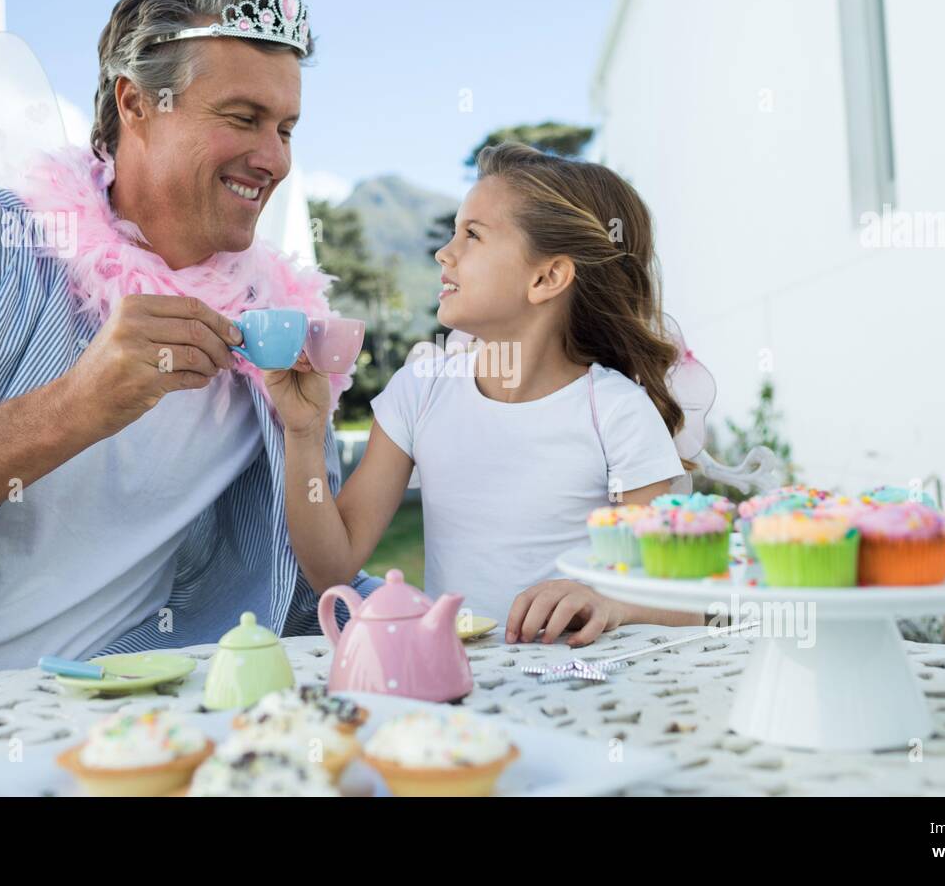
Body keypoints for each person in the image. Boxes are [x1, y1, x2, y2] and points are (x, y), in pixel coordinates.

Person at [0, 0, 375, 707]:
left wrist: (497, 614)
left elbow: (308, 590)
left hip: (129, 718)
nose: (273, 157)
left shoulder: (275, 327)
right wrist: (74, 408)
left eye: (285, 128)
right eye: (243, 118)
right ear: (136, 102)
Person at [265, 142, 703, 647]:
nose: (443, 253)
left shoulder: (617, 413)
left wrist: (609, 603)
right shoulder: (420, 390)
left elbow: (684, 605)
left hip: (584, 689)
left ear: (547, 277)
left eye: (472, 235)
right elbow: (333, 566)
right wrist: (303, 431)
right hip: (458, 686)